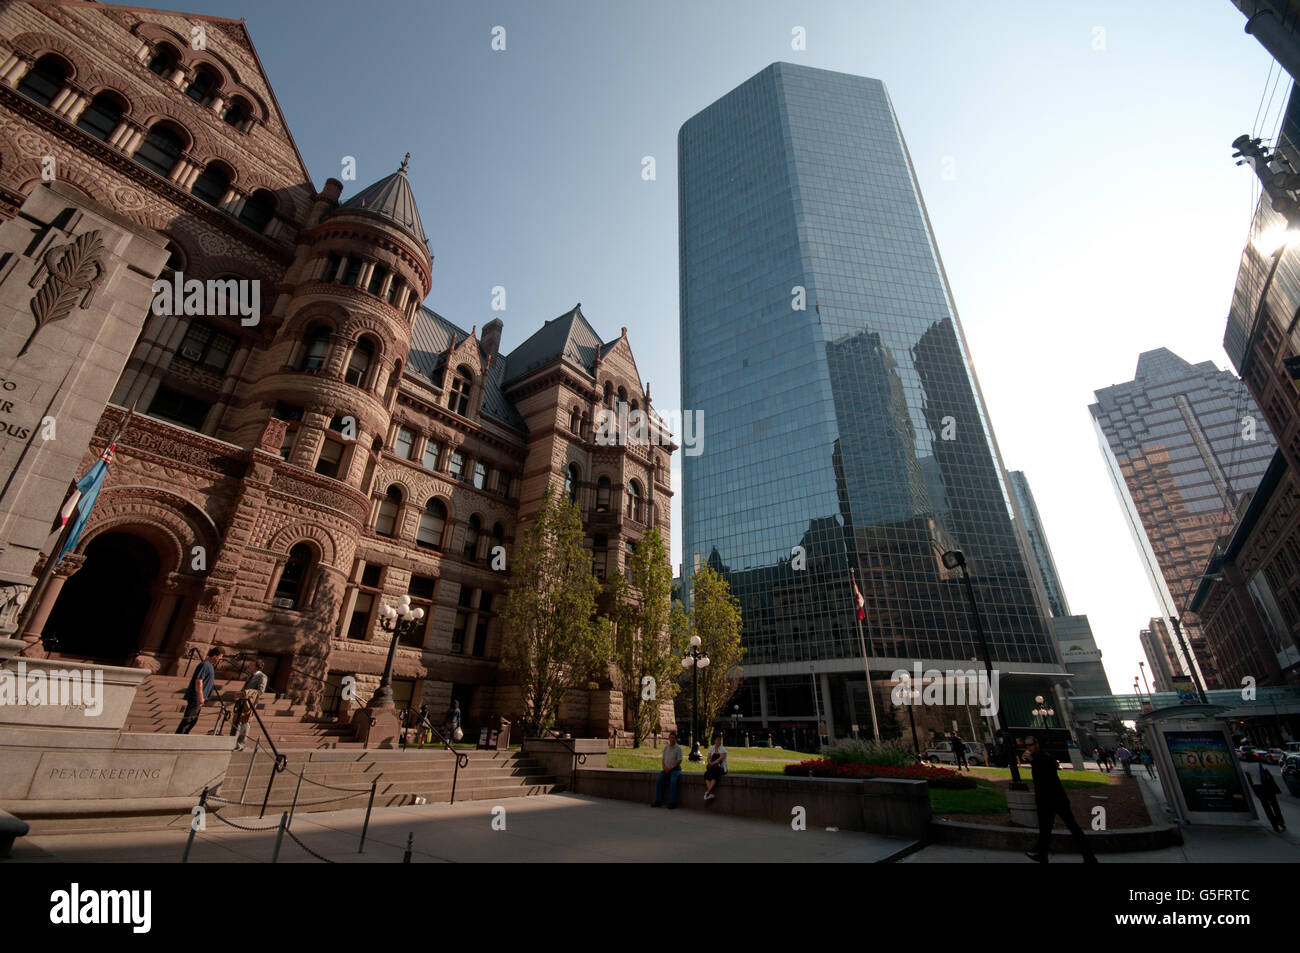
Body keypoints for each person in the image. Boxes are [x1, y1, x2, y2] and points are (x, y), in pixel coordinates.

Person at [1023, 736, 1098, 864]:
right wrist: (1032, 760)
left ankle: (1089, 857)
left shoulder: (1044, 757)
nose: (1028, 748)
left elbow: (1045, 776)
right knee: (1045, 830)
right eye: (1026, 746)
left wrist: (1031, 760)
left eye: (1030, 745)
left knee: (1073, 828)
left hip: (1055, 799)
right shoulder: (1039, 758)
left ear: (1037, 744)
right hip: (1046, 800)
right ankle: (1042, 855)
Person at [177, 646, 224, 734]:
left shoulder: (209, 666)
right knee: (189, 720)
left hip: (199, 698)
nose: (220, 660)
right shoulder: (205, 665)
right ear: (215, 656)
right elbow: (199, 681)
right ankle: (179, 738)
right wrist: (200, 697)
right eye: (220, 657)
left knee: (192, 720)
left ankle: (182, 737)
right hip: (196, 697)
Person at [230, 661, 267, 751]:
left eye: (251, 665)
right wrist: (240, 694)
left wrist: (246, 693)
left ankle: (240, 744)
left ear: (256, 667)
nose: (249, 666)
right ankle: (232, 742)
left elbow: (260, 691)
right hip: (241, 701)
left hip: (250, 703)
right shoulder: (250, 675)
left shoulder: (262, 677)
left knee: (245, 723)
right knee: (236, 721)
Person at [1251, 762, 1287, 832]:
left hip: (1258, 789)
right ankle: (1281, 822)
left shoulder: (1246, 768)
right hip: (1268, 787)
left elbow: (1250, 781)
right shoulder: (1261, 765)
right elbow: (1269, 776)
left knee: (1266, 807)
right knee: (1275, 806)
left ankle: (1274, 825)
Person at [651, 730, 683, 808]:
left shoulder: (678, 748)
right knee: (659, 780)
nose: (672, 739)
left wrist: (671, 768)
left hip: (675, 769)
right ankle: (658, 801)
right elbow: (663, 759)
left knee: (673, 782)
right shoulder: (666, 748)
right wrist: (664, 767)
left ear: (676, 739)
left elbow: (679, 760)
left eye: (673, 738)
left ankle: (672, 803)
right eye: (670, 738)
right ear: (668, 739)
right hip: (666, 769)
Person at [703, 732, 728, 801]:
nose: (719, 742)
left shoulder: (723, 749)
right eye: (717, 740)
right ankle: (710, 793)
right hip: (713, 767)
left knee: (715, 774)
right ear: (714, 740)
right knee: (706, 774)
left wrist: (711, 763)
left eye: (720, 740)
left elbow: (719, 760)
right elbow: (708, 757)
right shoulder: (711, 748)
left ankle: (707, 792)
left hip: (721, 768)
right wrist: (709, 762)